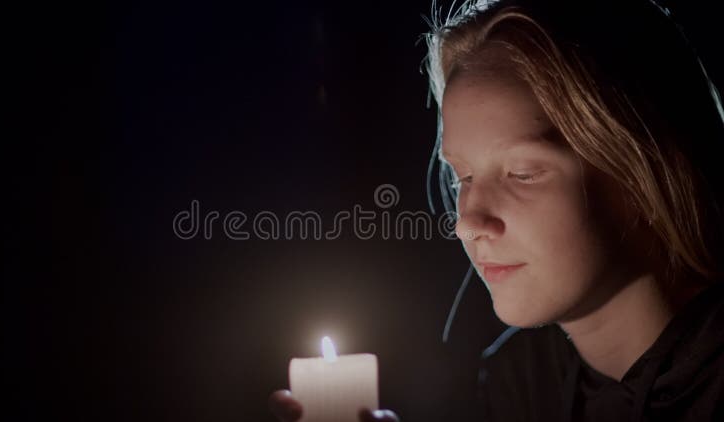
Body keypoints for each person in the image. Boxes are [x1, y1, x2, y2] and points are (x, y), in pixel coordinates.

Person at [269, 0, 724, 420]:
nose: (467, 223)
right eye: (462, 177)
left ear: (648, 171)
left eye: (522, 174)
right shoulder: (521, 383)